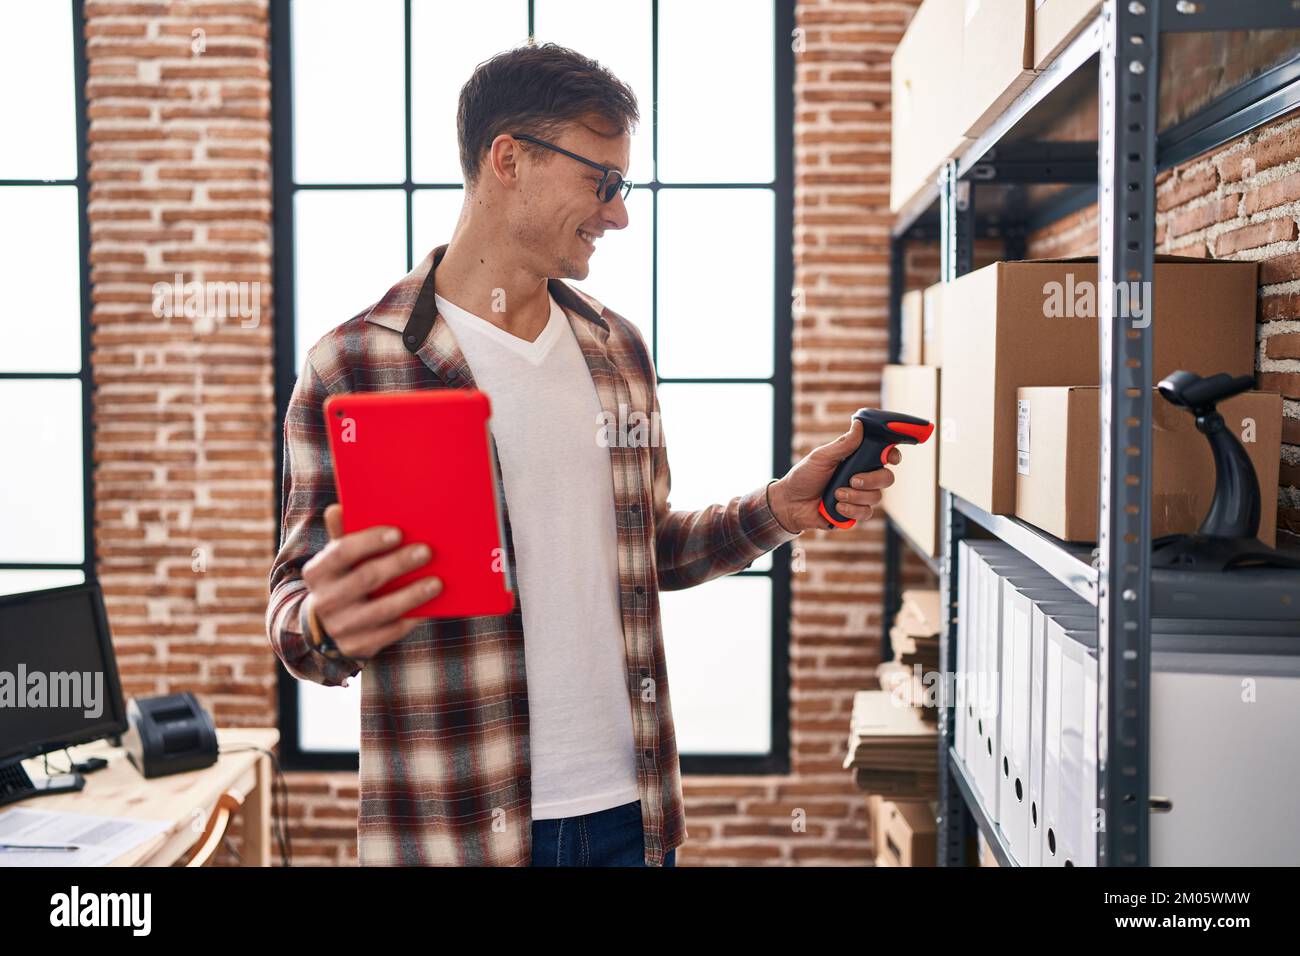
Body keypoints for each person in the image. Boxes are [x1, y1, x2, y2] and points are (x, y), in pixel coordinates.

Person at [266, 42, 898, 867]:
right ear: (509, 160)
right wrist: (323, 623)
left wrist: (780, 508)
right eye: (602, 181)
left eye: (621, 185)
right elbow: (293, 606)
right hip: (456, 825)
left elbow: (647, 552)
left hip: (629, 818)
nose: (619, 214)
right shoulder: (355, 365)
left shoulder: (616, 350)